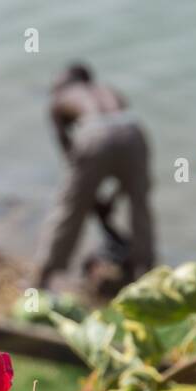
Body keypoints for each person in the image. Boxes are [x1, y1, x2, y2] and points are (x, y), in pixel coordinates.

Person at [36, 63, 154, 290]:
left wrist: (92, 199)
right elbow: (127, 175)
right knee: (140, 204)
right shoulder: (109, 90)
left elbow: (70, 157)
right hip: (133, 130)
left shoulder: (60, 98)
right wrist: (111, 199)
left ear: (66, 81)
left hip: (94, 134)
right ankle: (145, 271)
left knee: (69, 209)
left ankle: (43, 276)